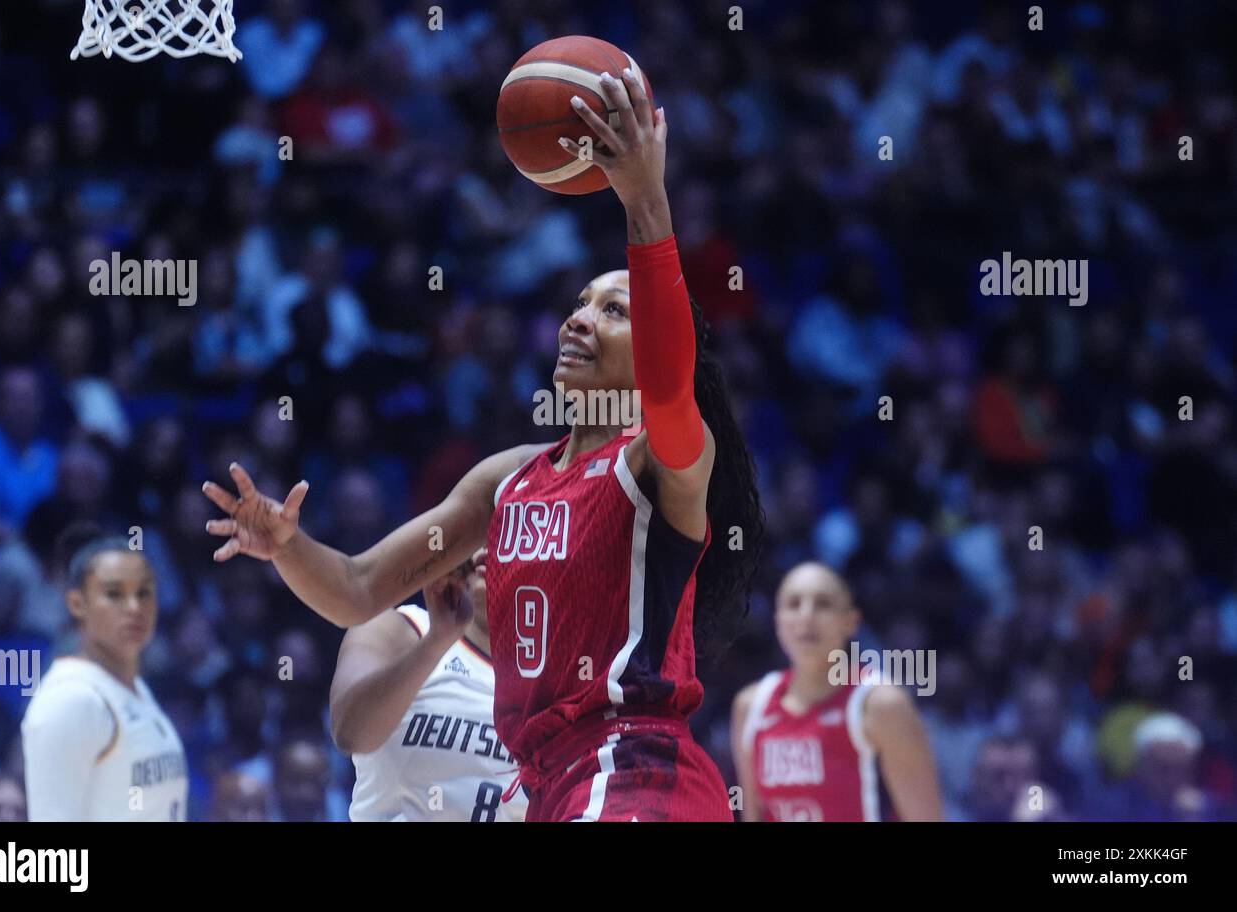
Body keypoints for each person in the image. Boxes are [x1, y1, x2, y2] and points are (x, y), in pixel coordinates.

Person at [203, 68, 764, 821]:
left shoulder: (663, 458)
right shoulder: (509, 479)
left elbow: (668, 389)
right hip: (550, 782)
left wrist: (643, 198)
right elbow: (359, 589)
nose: (580, 320)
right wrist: (286, 548)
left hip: (632, 769)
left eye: (615, 310)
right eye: (578, 305)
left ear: (660, 348)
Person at [731, 562, 942, 821]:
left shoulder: (882, 705)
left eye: (823, 604)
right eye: (793, 604)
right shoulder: (751, 706)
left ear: (851, 621)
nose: (806, 616)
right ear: (778, 621)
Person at [333, 548, 525, 821]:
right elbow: (350, 733)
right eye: (481, 537)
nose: (485, 549)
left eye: (505, 537)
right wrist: (437, 640)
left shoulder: (558, 682)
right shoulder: (402, 629)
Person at [21, 525, 187, 821]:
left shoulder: (136, 689)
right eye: (114, 594)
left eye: (144, 592)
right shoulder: (71, 698)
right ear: (77, 603)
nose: (134, 608)